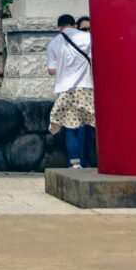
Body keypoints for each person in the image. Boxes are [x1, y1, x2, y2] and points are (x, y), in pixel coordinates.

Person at [45, 14, 96, 170]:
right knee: (91, 125)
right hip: (86, 86)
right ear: (74, 25)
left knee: (72, 126)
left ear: (59, 27)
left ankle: (75, 163)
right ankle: (94, 160)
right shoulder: (87, 38)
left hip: (65, 90)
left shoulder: (53, 44)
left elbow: (52, 71)